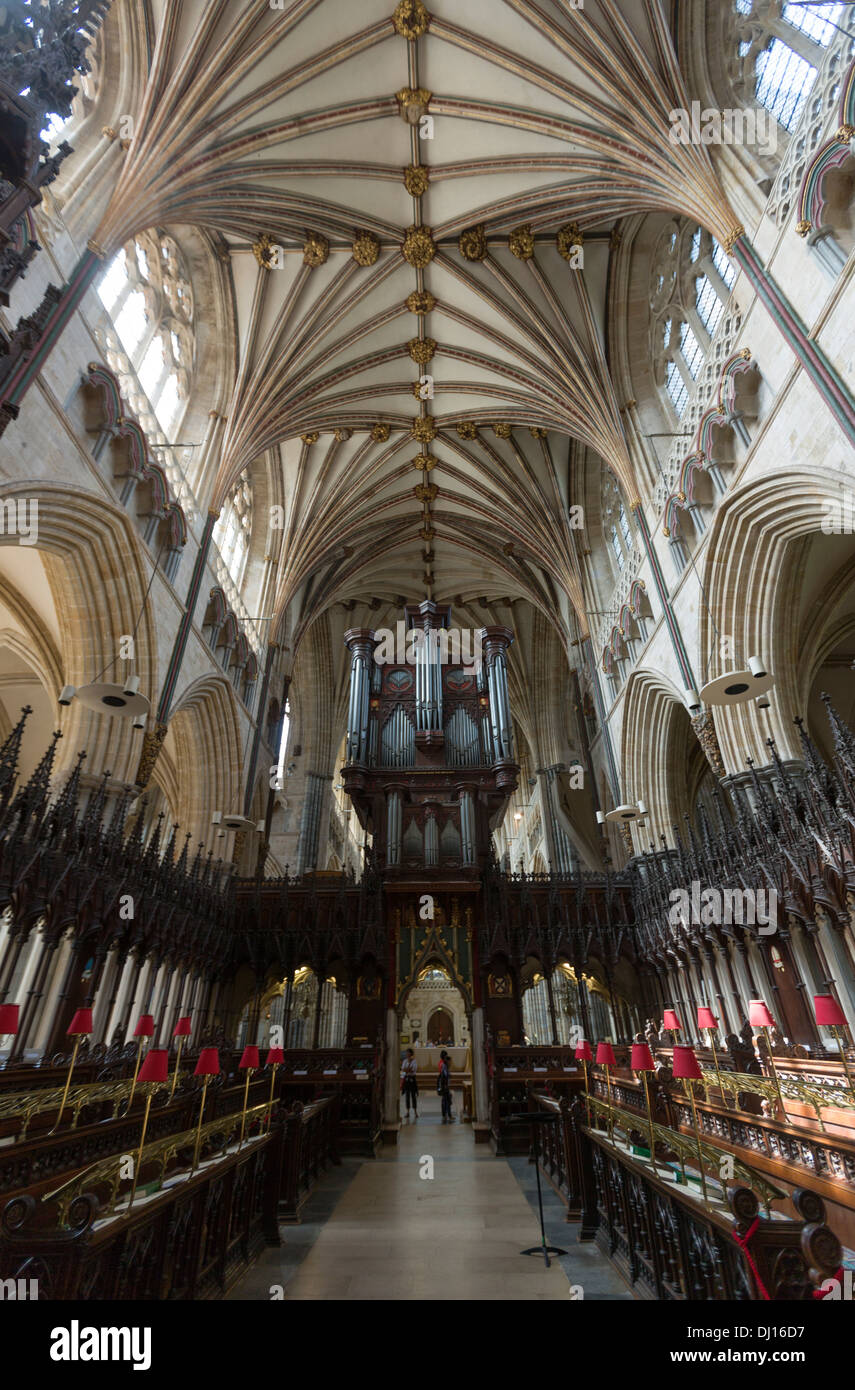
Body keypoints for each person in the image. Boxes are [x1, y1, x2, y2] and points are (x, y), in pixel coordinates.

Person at [401, 1047, 418, 1119]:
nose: (407, 1054)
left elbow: (413, 1070)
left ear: (411, 1053)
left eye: (408, 1052)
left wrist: (407, 1070)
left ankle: (415, 1112)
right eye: (406, 1052)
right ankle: (407, 1112)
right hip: (407, 1080)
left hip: (412, 1079)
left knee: (413, 1096)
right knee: (407, 1096)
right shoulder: (405, 1061)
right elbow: (403, 1069)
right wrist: (408, 1070)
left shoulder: (414, 1061)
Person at [437, 1049, 454, 1123]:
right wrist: (445, 1085)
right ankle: (447, 1115)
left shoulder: (444, 1065)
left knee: (446, 1100)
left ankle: (446, 1115)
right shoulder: (443, 1065)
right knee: (446, 1101)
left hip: (445, 1085)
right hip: (444, 1086)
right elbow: (443, 1076)